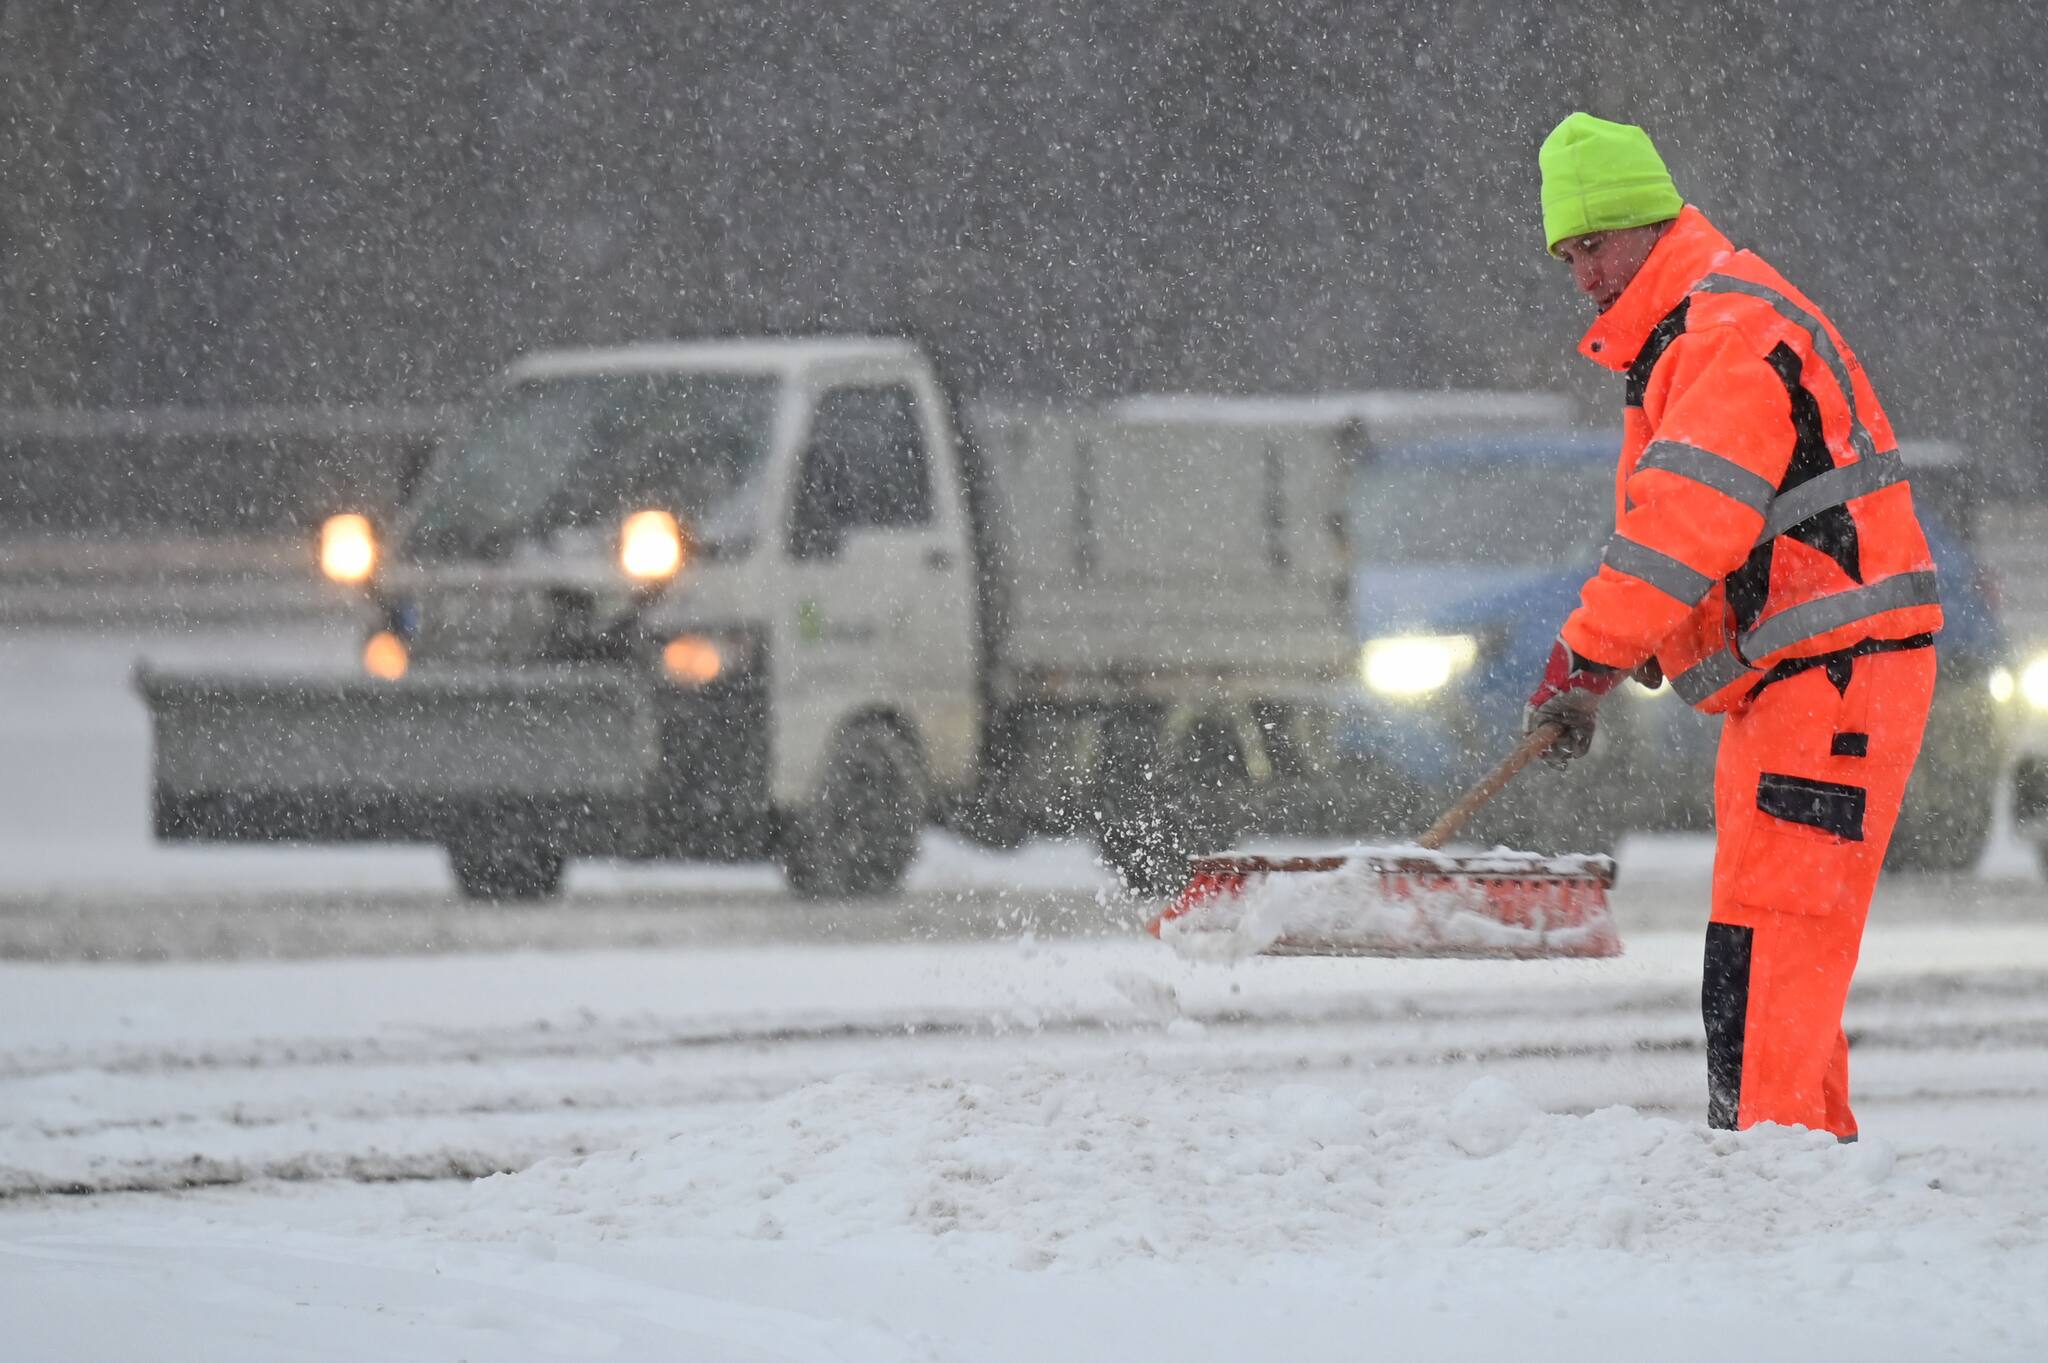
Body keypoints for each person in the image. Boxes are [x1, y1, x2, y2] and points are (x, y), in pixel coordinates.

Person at [1523, 112, 1944, 1140]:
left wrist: (1585, 656)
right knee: (1760, 954)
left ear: (1647, 226)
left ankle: (1774, 1178)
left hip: (1832, 677)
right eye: (1564, 255)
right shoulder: (1689, 335)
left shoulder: (1719, 333)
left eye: (1591, 246)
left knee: (1769, 954)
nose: (1579, 275)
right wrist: (1631, 654)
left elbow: (1680, 526)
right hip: (1795, 682)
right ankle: (1798, 1159)